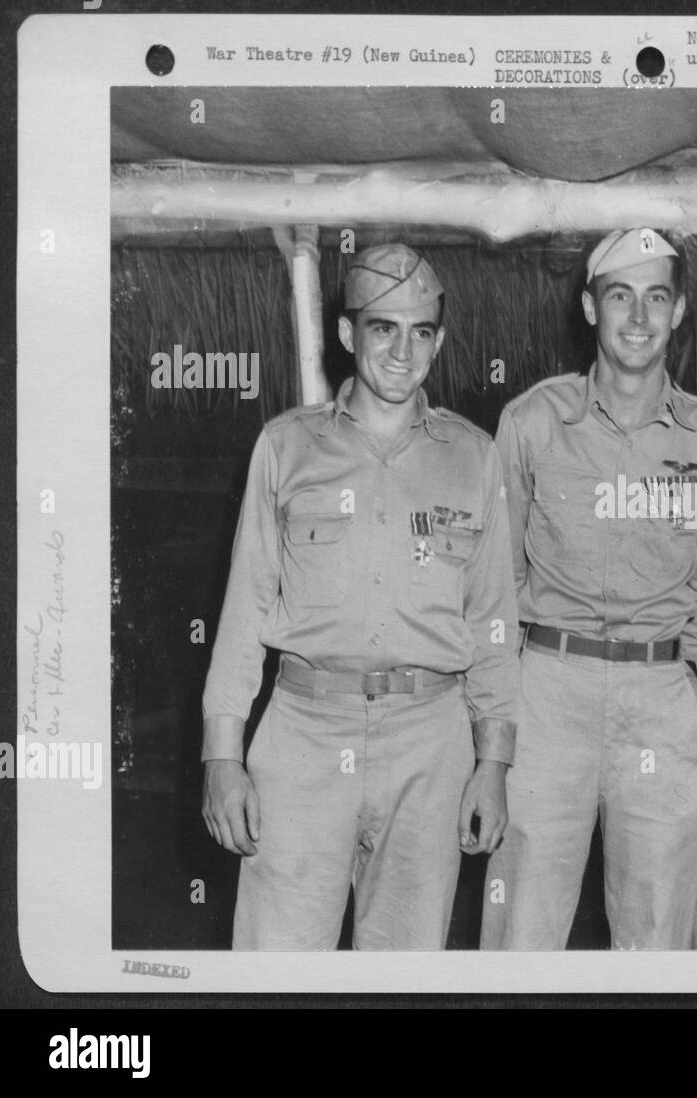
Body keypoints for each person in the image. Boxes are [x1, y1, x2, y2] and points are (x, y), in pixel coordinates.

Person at [200, 243, 519, 950]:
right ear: (349, 335)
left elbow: (494, 623)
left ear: (437, 340)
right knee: (276, 969)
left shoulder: (473, 457)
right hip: (305, 737)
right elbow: (244, 613)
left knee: (404, 976)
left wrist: (493, 763)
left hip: (429, 742)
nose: (403, 351)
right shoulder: (285, 449)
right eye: (384, 328)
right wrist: (221, 757)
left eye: (422, 331)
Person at [481, 228, 697, 950]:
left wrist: (665, 663)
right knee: (521, 924)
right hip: (549, 691)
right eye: (619, 296)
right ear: (591, 308)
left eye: (656, 297)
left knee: (655, 931)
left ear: (680, 309)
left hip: (658, 697)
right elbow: (498, 577)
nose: (637, 317)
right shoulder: (533, 423)